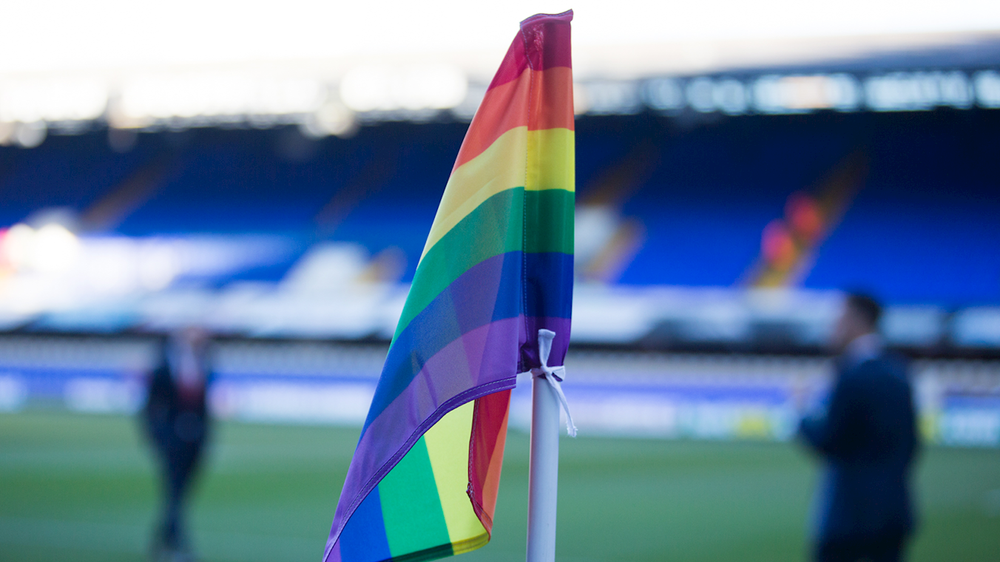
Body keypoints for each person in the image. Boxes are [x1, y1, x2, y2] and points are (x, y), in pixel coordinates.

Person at [798, 292, 920, 562]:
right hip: (893, 512)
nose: (832, 327)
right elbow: (912, 445)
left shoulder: (851, 375)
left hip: (849, 518)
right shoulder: (899, 371)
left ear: (855, 321)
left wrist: (802, 413)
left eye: (837, 319)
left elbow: (826, 440)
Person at [142, 327, 212, 562]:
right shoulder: (165, 365)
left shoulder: (205, 363)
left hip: (195, 441)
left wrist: (205, 438)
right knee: (174, 492)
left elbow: (204, 407)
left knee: (181, 494)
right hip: (172, 440)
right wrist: (158, 437)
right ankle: (178, 544)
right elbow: (150, 406)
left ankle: (161, 541)